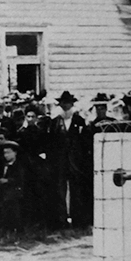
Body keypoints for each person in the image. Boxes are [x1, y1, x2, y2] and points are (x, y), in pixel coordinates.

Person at [48, 90, 92, 228]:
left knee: (76, 190)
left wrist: (82, 159)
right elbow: (51, 143)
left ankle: (78, 219)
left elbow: (85, 142)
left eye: (68, 104)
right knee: (60, 190)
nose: (66, 106)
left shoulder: (79, 121)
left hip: (75, 161)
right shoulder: (55, 122)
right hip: (60, 162)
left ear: (72, 105)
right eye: (63, 104)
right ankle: (61, 220)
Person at [0, 140, 29, 241]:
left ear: (15, 153)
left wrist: (7, 180)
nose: (6, 155)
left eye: (9, 152)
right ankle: (0, 233)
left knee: (13, 210)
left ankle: (18, 233)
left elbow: (20, 179)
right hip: (2, 192)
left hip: (15, 191)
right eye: (5, 153)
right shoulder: (2, 165)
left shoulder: (18, 165)